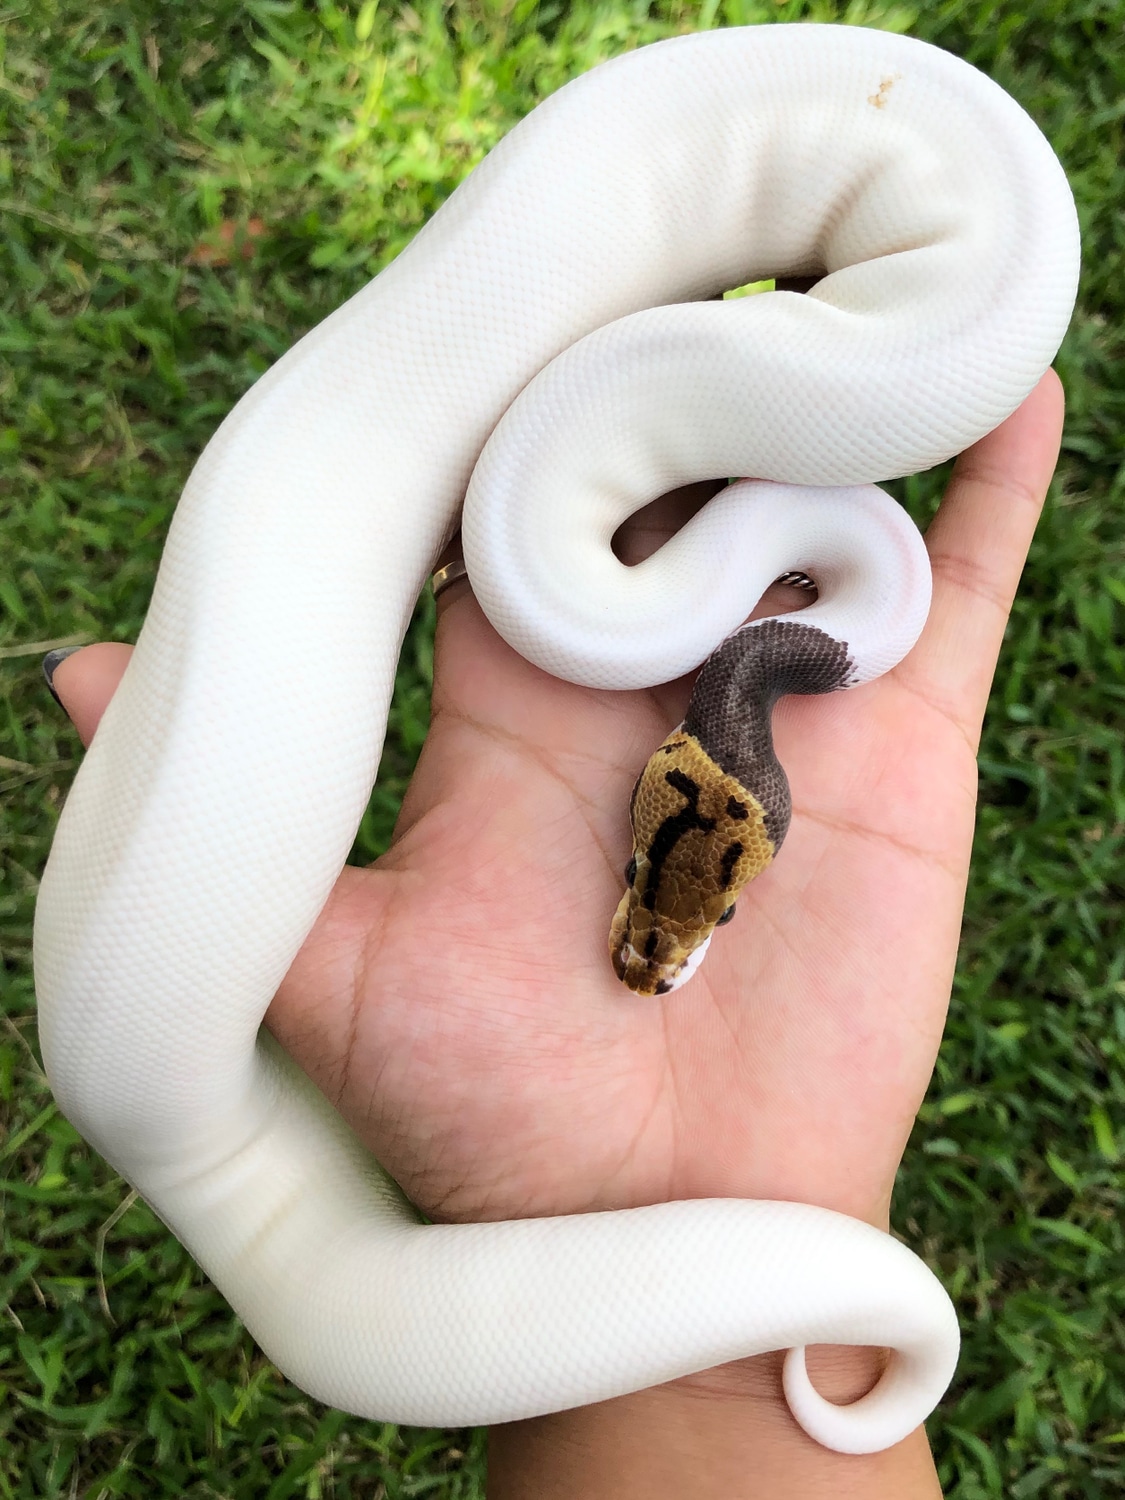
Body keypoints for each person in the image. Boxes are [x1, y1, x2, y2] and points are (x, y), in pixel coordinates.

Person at [44, 371, 1065, 1498]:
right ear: (657, 794)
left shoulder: (787, 649)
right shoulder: (827, 629)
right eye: (655, 887)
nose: (657, 943)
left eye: (710, 910)